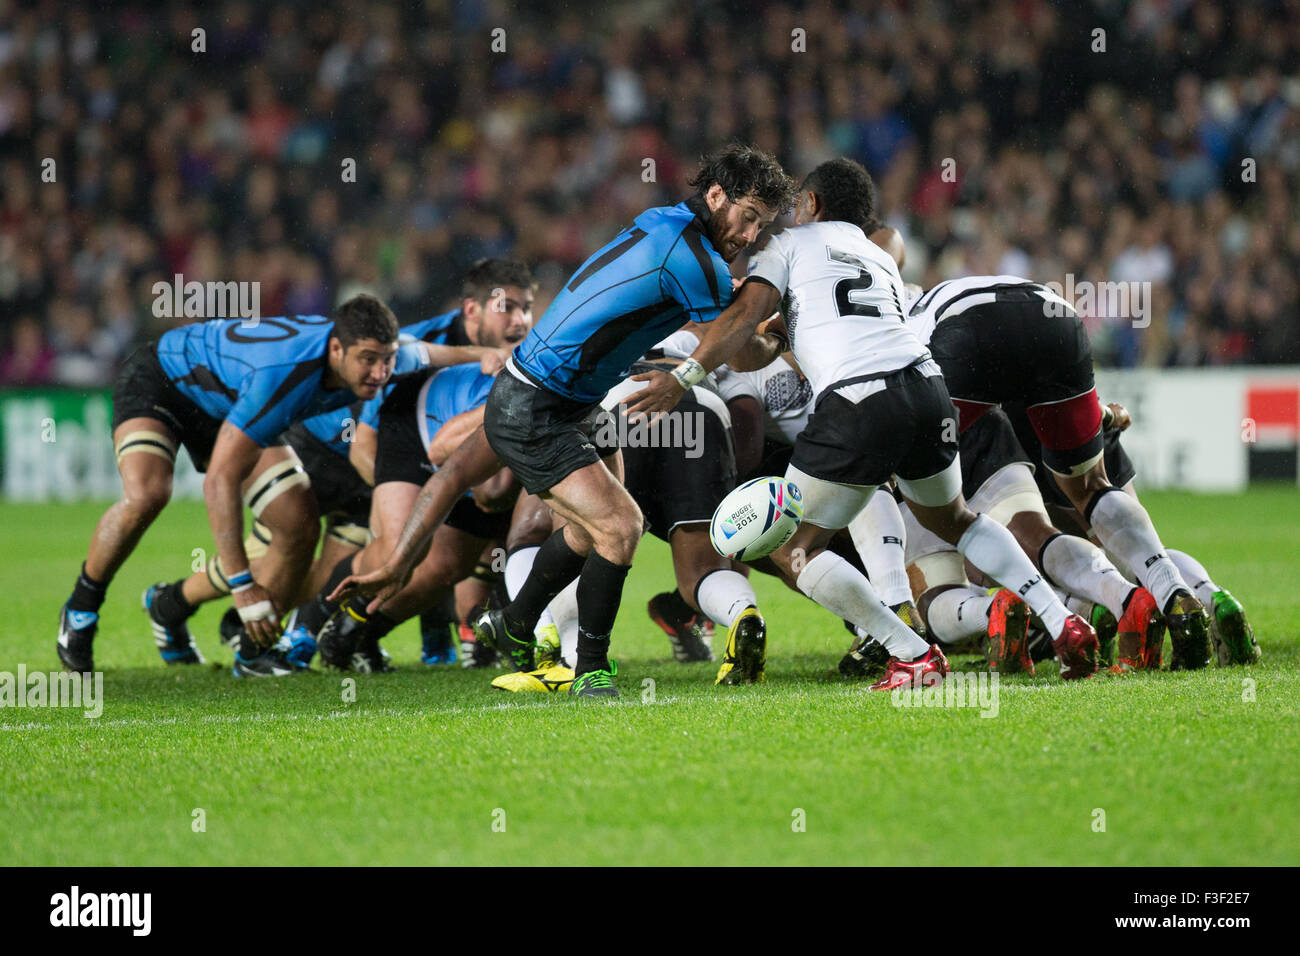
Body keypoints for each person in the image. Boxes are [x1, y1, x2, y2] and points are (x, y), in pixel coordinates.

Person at [329, 144, 798, 698]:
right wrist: (775, 328)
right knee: (620, 526)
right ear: (716, 196)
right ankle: (588, 669)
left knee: (591, 528)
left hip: (572, 401)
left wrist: (757, 335)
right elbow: (739, 339)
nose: (748, 236)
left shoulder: (665, 222)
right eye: (747, 218)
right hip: (535, 406)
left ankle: (513, 619)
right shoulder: (690, 256)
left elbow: (735, 334)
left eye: (762, 227)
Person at [628, 158, 1099, 689]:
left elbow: (741, 321)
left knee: (793, 548)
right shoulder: (879, 257)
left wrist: (686, 375)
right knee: (957, 520)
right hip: (927, 391)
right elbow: (761, 346)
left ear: (811, 204)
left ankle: (910, 650)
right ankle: (1065, 625)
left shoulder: (787, 247)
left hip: (857, 402)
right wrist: (765, 337)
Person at [57, 296, 401, 674]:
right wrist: (242, 586)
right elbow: (220, 479)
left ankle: (254, 651)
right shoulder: (286, 372)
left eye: (387, 360)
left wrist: (475, 354)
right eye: (370, 360)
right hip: (164, 379)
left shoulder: (364, 353)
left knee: (299, 523)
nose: (380, 371)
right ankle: (80, 609)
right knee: (148, 494)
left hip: (229, 404)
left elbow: (430, 351)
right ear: (337, 349)